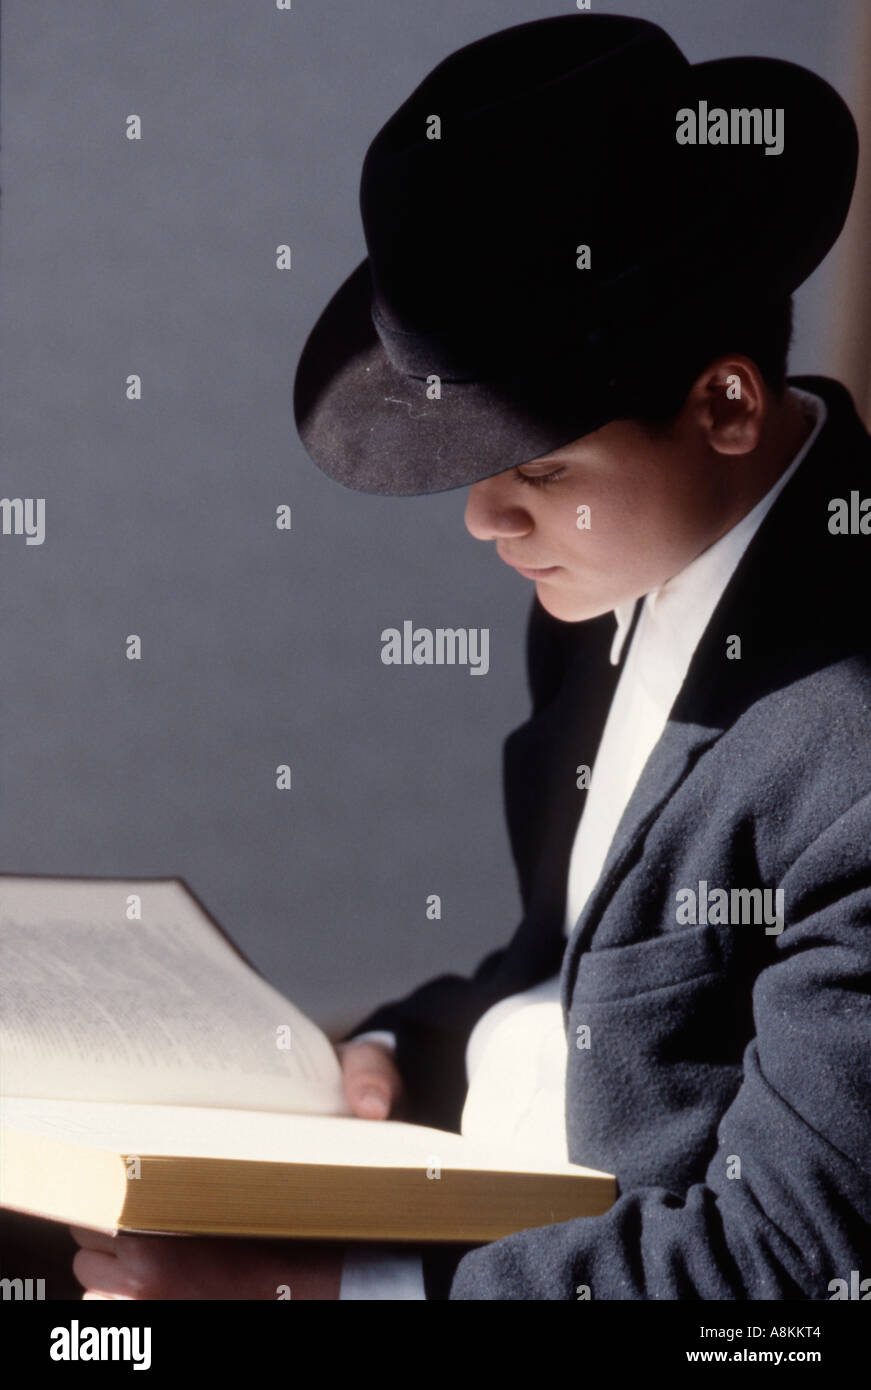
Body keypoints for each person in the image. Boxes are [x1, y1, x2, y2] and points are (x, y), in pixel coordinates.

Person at [71, 14, 871, 1301]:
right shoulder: (597, 597)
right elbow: (588, 972)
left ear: (722, 403)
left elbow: (793, 1265)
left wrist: (331, 1293)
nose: (482, 520)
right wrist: (401, 1050)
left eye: (537, 472)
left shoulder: (847, 742)